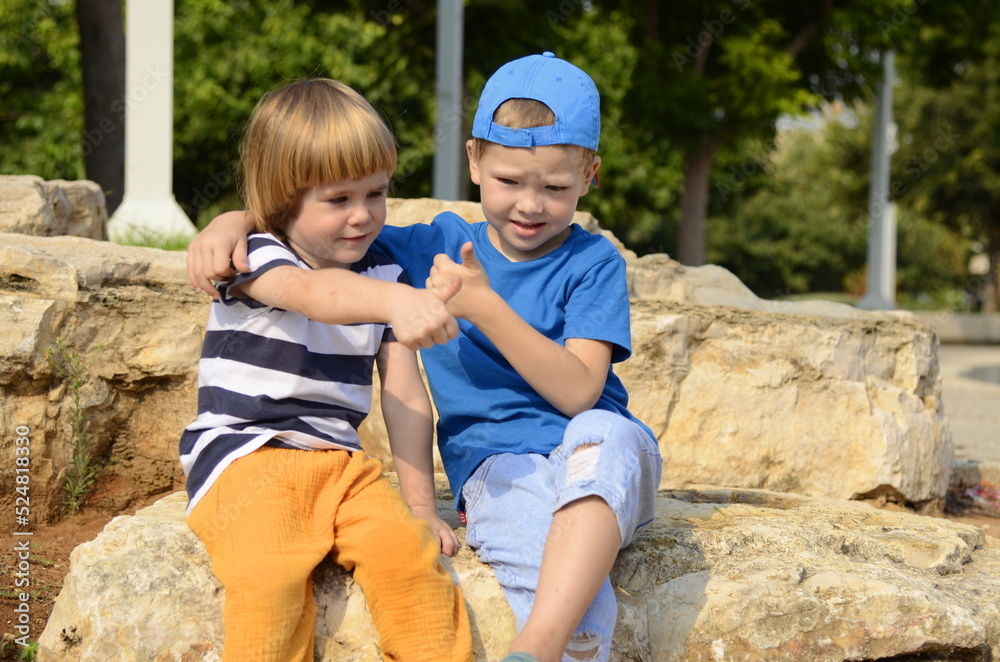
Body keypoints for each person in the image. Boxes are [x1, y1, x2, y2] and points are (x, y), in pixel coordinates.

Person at [188, 54, 663, 662]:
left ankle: (538, 645)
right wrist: (232, 221)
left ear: (590, 176)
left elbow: (578, 395)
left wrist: (485, 306)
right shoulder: (426, 248)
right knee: (540, 568)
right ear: (473, 161)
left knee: (602, 438)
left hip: (597, 449)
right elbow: (310, 236)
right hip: (496, 468)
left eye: (556, 187)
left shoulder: (592, 263)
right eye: (510, 181)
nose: (530, 204)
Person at [179, 78, 472, 662]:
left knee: (409, 557)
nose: (363, 216)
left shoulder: (383, 274)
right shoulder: (255, 252)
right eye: (338, 200)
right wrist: (394, 303)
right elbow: (314, 294)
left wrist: (420, 508)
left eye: (377, 194)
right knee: (268, 574)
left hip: (341, 466)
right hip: (247, 456)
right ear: (286, 200)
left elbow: (406, 395)